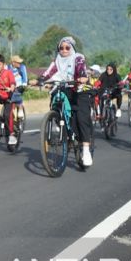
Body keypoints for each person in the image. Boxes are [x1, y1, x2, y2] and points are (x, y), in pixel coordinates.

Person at [38, 36, 94, 167]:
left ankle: (86, 149)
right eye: (61, 48)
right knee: (55, 104)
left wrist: (82, 77)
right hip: (64, 89)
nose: (64, 50)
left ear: (72, 48)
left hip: (79, 89)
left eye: (67, 47)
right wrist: (40, 80)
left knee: (81, 117)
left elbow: (81, 69)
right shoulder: (56, 60)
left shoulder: (78, 58)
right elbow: (48, 72)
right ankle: (65, 131)